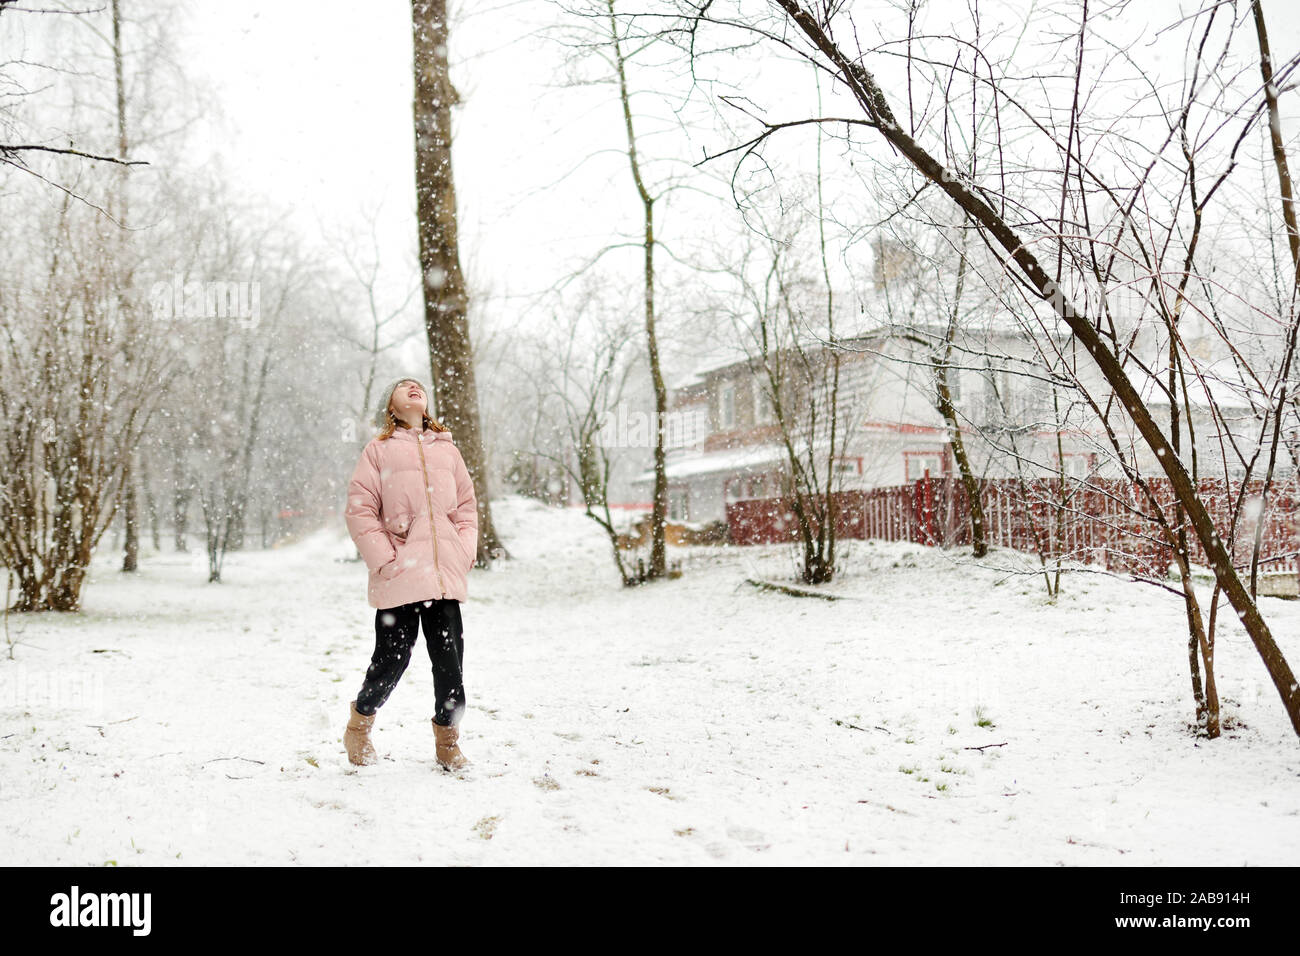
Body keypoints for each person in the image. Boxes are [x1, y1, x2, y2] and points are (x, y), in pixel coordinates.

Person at [341, 378, 478, 771]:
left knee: (451, 667)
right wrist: (385, 559)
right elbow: (360, 509)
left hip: (443, 577)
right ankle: (359, 724)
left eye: (417, 384)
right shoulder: (378, 450)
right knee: (390, 662)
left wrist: (463, 550)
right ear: (392, 406)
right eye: (403, 386)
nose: (413, 387)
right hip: (399, 575)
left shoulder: (448, 451)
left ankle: (447, 741)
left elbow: (466, 507)